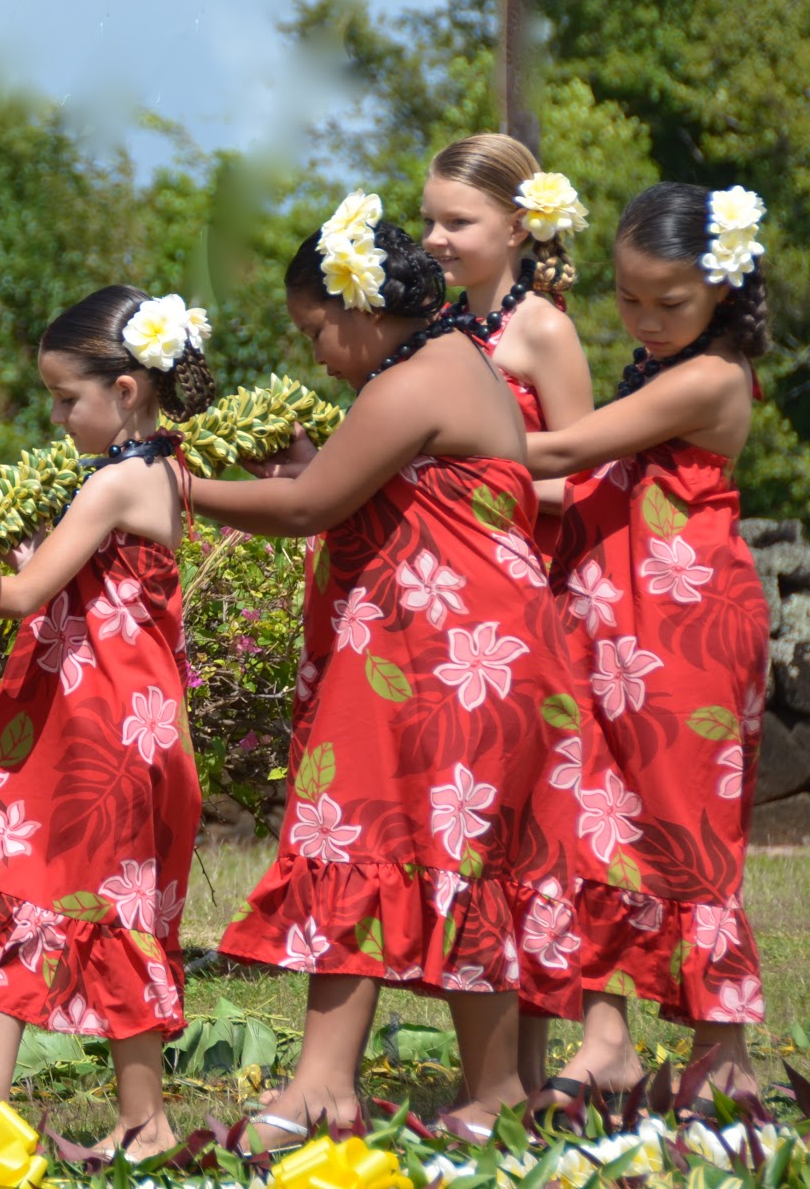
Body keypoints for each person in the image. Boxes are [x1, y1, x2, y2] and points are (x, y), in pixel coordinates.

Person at [198, 194, 583, 1144]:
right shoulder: (446, 362)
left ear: (363, 307)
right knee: (380, 847)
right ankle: (343, 1086)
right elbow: (354, 492)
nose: (316, 351)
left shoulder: (417, 379)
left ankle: (433, 1093)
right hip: (441, 651)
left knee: (409, 850)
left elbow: (308, 510)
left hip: (456, 656)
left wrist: (167, 483)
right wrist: (305, 472)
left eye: (317, 327)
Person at [526, 183, 771, 1115]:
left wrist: (427, 426)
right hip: (611, 623)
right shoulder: (651, 369)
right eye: (630, 299)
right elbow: (587, 484)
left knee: (686, 824)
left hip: (689, 626)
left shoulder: (710, 376)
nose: (646, 319)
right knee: (593, 815)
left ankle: (725, 1052)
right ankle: (606, 1042)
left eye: (670, 302)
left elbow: (566, 449)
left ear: (722, 288)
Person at [0, 286, 214, 1159]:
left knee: (81, 900)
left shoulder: (116, 480)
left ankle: (146, 1126)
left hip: (96, 725)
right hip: (100, 713)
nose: (59, 415)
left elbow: (21, 594)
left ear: (127, 391)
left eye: (68, 398)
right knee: (25, 885)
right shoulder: (164, 467)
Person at [422, 134, 594, 563]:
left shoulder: (544, 329)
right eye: (429, 222)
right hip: (444, 561)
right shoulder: (437, 323)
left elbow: (584, 479)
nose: (433, 238)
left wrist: (456, 479)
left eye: (457, 223)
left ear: (517, 227)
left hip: (526, 563)